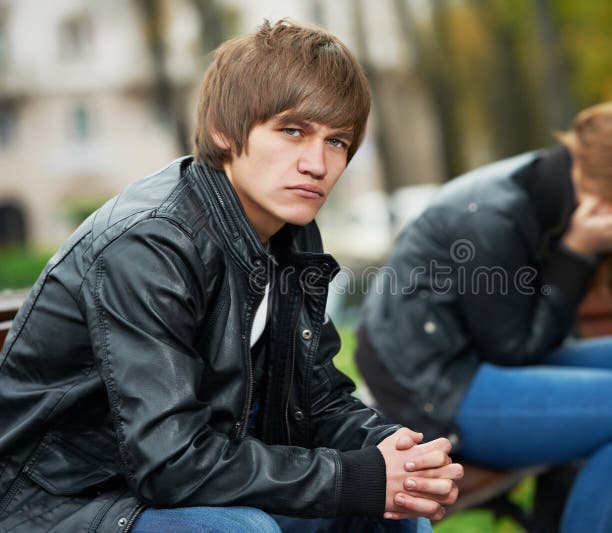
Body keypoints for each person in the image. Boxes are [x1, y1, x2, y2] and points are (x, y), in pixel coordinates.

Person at [0, 20, 462, 533]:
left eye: (336, 141)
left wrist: (396, 454)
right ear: (224, 130)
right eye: (293, 131)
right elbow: (170, 461)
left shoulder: (288, 233)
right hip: (56, 503)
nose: (317, 164)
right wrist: (355, 477)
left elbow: (318, 399)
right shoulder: (152, 244)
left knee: (394, 513)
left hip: (170, 481)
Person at [356, 97, 612, 533]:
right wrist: (577, 253)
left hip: (485, 364)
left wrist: (577, 253)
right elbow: (514, 351)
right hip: (434, 391)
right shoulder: (495, 216)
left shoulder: (558, 188)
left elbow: (530, 340)